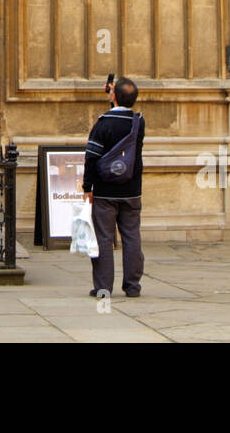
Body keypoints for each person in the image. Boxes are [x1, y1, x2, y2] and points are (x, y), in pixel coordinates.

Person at [83, 76, 144, 298]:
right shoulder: (139, 123)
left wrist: (87, 186)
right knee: (131, 236)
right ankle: (132, 286)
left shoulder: (103, 124)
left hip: (105, 191)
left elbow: (91, 157)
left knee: (104, 238)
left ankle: (103, 288)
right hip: (132, 190)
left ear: (114, 96)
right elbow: (122, 116)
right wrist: (115, 96)